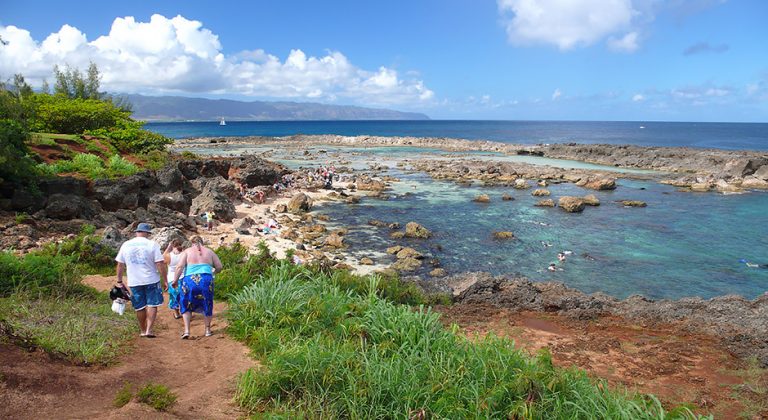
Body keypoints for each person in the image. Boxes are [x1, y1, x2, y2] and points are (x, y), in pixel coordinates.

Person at [115, 223, 167, 338]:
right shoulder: (152, 244)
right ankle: (149, 330)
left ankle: (143, 330)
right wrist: (165, 280)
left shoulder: (126, 244)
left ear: (137, 232)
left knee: (139, 307)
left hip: (134, 280)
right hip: (151, 279)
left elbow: (120, 264)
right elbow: (160, 263)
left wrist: (119, 281)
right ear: (147, 233)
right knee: (152, 304)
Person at [173, 236, 223, 339]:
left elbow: (179, 267)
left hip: (190, 280)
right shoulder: (210, 252)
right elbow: (219, 267)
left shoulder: (187, 251)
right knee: (207, 302)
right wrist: (213, 272)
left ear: (191, 243)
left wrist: (175, 280)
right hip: (206, 280)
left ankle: (187, 331)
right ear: (202, 242)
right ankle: (207, 330)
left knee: (186, 302)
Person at [163, 239, 184, 319]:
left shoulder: (168, 255)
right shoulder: (184, 254)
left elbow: (162, 258)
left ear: (172, 246)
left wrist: (168, 247)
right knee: (184, 295)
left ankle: (176, 313)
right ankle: (186, 312)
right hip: (183, 277)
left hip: (171, 278)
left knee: (173, 296)